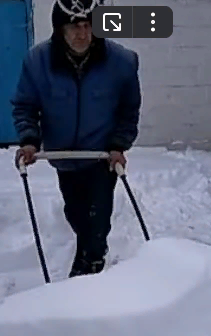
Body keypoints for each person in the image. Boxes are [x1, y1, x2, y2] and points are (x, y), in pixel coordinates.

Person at [11, 0, 142, 278]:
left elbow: (128, 110)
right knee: (78, 216)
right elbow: (25, 105)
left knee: (97, 221)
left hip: (101, 157)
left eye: (88, 26)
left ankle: (87, 274)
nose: (82, 33)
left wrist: (119, 145)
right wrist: (30, 139)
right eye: (74, 26)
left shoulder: (121, 62)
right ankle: (89, 261)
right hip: (64, 157)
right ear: (60, 29)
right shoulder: (38, 62)